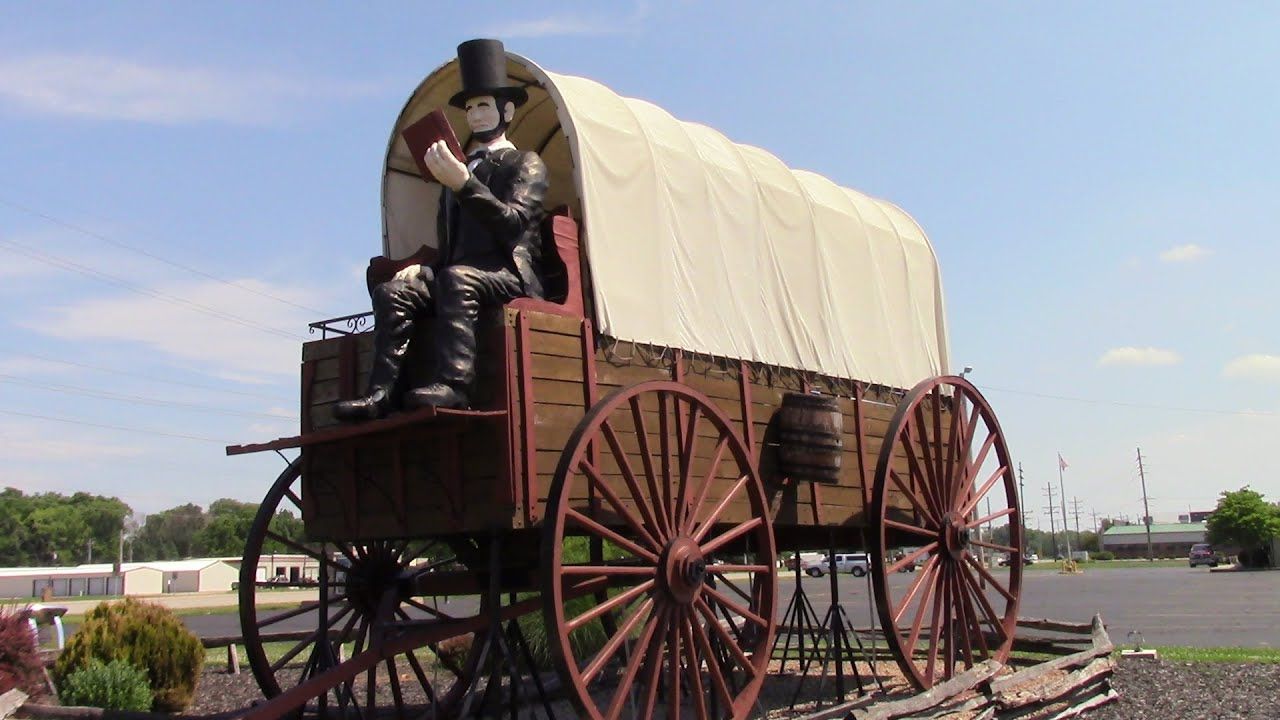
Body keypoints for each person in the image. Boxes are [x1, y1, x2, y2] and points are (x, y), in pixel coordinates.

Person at [335, 39, 548, 421]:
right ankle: (383, 393)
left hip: (508, 275)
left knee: (457, 279)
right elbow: (452, 243)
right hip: (458, 274)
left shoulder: (525, 164)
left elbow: (513, 226)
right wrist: (427, 266)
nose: (476, 115)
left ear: (508, 109)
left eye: (483, 105)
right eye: (470, 108)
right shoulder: (457, 170)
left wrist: (465, 184)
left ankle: (455, 384)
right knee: (394, 292)